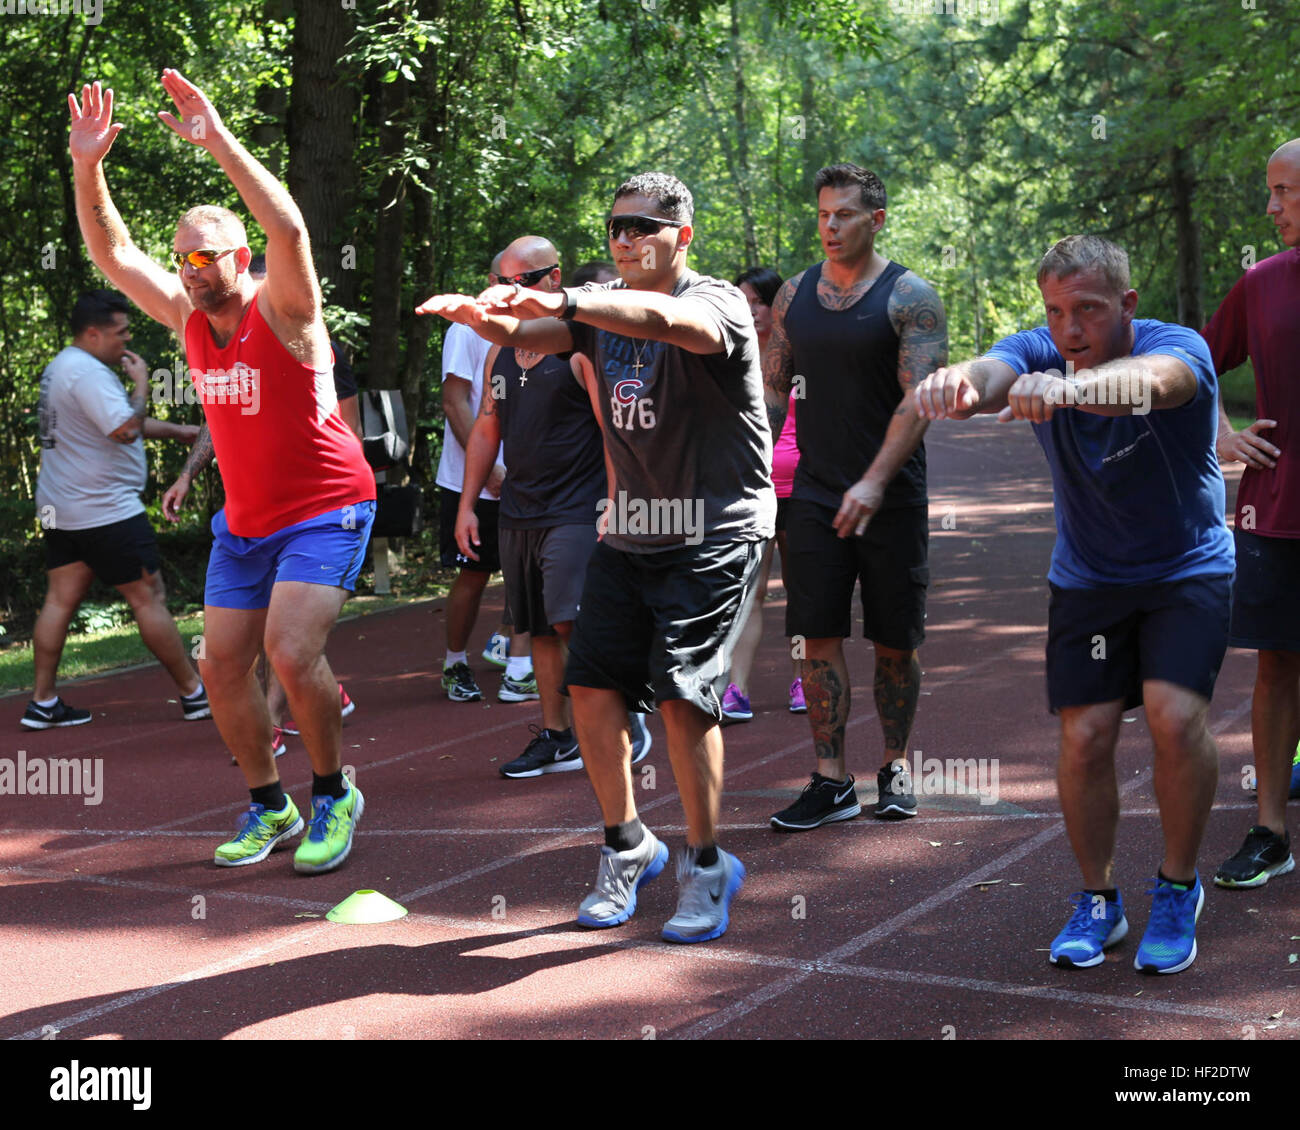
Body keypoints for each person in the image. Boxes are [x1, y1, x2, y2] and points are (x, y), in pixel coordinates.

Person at [419, 171, 775, 942]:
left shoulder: (712, 304)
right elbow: (527, 339)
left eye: (643, 226)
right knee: (590, 687)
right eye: (616, 226)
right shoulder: (599, 309)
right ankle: (627, 843)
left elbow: (665, 320)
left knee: (682, 694)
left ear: (682, 235)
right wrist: (488, 318)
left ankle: (707, 864)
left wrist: (570, 301)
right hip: (633, 526)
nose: (625, 238)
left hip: (714, 528)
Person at [69, 73, 375, 873]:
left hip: (327, 505)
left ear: (240, 257)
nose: (193, 271)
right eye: (186, 261)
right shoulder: (187, 318)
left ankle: (334, 792)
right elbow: (114, 251)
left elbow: (291, 226)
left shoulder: (285, 309)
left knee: (289, 653)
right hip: (246, 522)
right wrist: (87, 163)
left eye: (206, 257)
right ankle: (268, 804)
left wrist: (216, 137)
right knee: (217, 664)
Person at [915, 234, 1234, 975]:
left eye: (1087, 309)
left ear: (1125, 304)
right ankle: (1099, 901)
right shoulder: (1039, 346)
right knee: (1086, 737)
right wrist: (960, 383)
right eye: (1056, 312)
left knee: (1173, 717)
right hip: (1090, 580)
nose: (1069, 330)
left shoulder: (1176, 345)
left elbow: (1154, 383)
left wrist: (1070, 389)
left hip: (1186, 571)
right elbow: (993, 374)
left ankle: (1178, 887)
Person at [763, 164, 948, 830]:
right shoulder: (793, 296)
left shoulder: (911, 298)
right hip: (813, 493)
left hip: (892, 493)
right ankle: (830, 778)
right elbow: (775, 389)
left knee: (895, 639)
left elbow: (919, 402)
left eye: (844, 214)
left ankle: (894, 765)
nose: (830, 226)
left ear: (876, 219)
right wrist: (749, 449)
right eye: (822, 214)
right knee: (817, 635)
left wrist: (874, 479)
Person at [456, 236, 651, 777]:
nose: (508, 292)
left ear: (552, 280)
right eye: (502, 283)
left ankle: (625, 712)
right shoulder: (499, 350)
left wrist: (617, 502)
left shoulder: (578, 348)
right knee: (538, 628)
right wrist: (468, 506)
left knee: (570, 621)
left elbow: (614, 429)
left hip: (577, 506)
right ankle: (558, 734)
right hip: (519, 508)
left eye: (520, 282)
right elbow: (486, 426)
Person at [24, 289, 207, 730]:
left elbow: (111, 425)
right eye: (119, 333)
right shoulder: (86, 373)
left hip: (63, 507)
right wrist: (143, 383)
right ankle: (195, 693)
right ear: (93, 333)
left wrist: (180, 431)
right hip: (105, 511)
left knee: (59, 600)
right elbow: (125, 429)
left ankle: (43, 702)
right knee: (148, 598)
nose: (126, 342)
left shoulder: (60, 368)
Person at [1203, 139, 1300, 889]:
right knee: (1277, 666)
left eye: (1284, 192)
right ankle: (1271, 829)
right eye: (1270, 191)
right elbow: (1192, 362)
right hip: (1277, 508)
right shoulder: (1263, 284)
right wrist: (1220, 434)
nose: (1270, 208)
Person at [246, 254, 357, 757]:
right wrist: (186, 473)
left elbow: (347, 432)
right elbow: (218, 420)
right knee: (262, 627)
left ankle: (273, 715)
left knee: (285, 633)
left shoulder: (320, 350)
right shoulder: (234, 351)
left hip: (321, 508)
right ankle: (324, 691)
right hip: (255, 508)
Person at [437, 252, 531, 703]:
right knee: (475, 573)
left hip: (527, 477)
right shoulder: (466, 328)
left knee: (526, 571)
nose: (516, 287)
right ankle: (455, 663)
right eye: (509, 279)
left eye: (526, 279)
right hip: (471, 479)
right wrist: (487, 469)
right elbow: (455, 401)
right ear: (491, 280)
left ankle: (517, 660)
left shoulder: (538, 326)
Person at [719, 266, 806, 720]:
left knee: (801, 590)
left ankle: (802, 680)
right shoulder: (730, 354)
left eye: (758, 301)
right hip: (749, 489)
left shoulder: (800, 355)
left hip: (800, 490)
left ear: (776, 304)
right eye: (741, 301)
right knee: (749, 590)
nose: (750, 311)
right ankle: (737, 689)